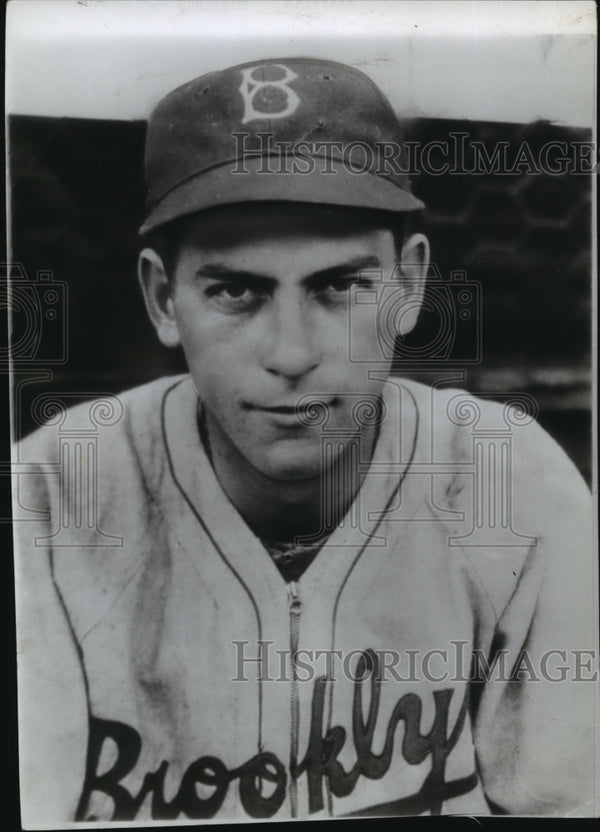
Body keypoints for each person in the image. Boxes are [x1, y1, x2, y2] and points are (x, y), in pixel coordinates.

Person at [13, 58, 596, 824]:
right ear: (162, 298)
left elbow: (569, 805)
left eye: (341, 287)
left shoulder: (511, 482)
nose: (291, 353)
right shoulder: (52, 493)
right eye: (235, 291)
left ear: (410, 285)